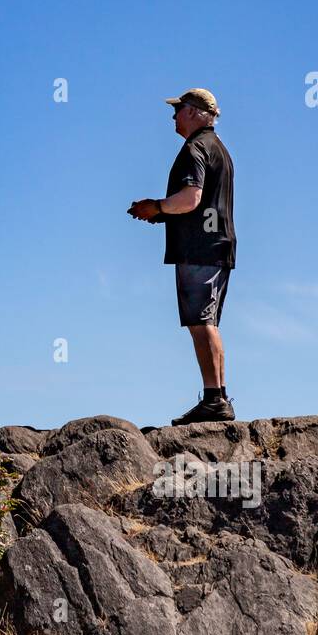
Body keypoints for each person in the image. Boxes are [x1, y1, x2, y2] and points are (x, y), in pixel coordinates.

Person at [127, 88, 237, 425]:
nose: (173, 116)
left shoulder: (195, 148)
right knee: (207, 322)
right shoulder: (219, 149)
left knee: (200, 322)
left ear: (193, 112)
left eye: (177, 110)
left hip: (200, 247)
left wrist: (158, 207)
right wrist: (161, 214)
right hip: (217, 244)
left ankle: (215, 399)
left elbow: (191, 198)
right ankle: (216, 396)